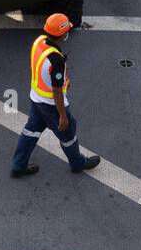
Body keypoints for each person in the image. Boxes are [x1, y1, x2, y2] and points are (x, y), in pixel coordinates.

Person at [9, 14, 101, 177]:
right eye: (67, 30)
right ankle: (77, 164)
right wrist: (62, 116)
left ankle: (18, 164)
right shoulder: (56, 60)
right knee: (68, 133)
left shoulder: (39, 41)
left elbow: (42, 71)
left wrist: (65, 80)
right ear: (62, 34)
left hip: (36, 97)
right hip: (51, 104)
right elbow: (56, 91)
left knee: (31, 131)